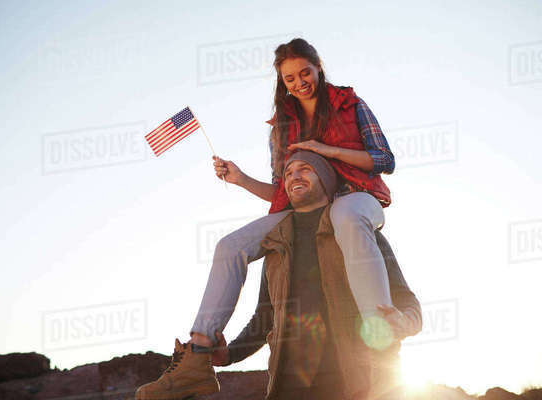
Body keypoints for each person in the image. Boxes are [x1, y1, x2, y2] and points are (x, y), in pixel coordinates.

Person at [135, 37, 397, 399]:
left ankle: (378, 329)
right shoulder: (281, 127)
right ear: (281, 81)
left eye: (305, 72)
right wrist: (239, 178)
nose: (299, 82)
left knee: (347, 217)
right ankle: (196, 358)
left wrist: (324, 150)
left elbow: (384, 160)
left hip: (356, 198)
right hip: (298, 215)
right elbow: (282, 193)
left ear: (319, 67)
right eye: (289, 78)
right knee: (230, 246)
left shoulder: (348, 104)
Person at [135, 152, 419, 400]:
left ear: (326, 179)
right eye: (288, 172)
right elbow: (265, 316)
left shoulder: (357, 233)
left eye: (305, 169)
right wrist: (230, 354)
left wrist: (403, 323)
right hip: (287, 387)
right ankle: (194, 363)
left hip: (356, 384)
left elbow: (408, 303)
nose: (295, 175)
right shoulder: (275, 246)